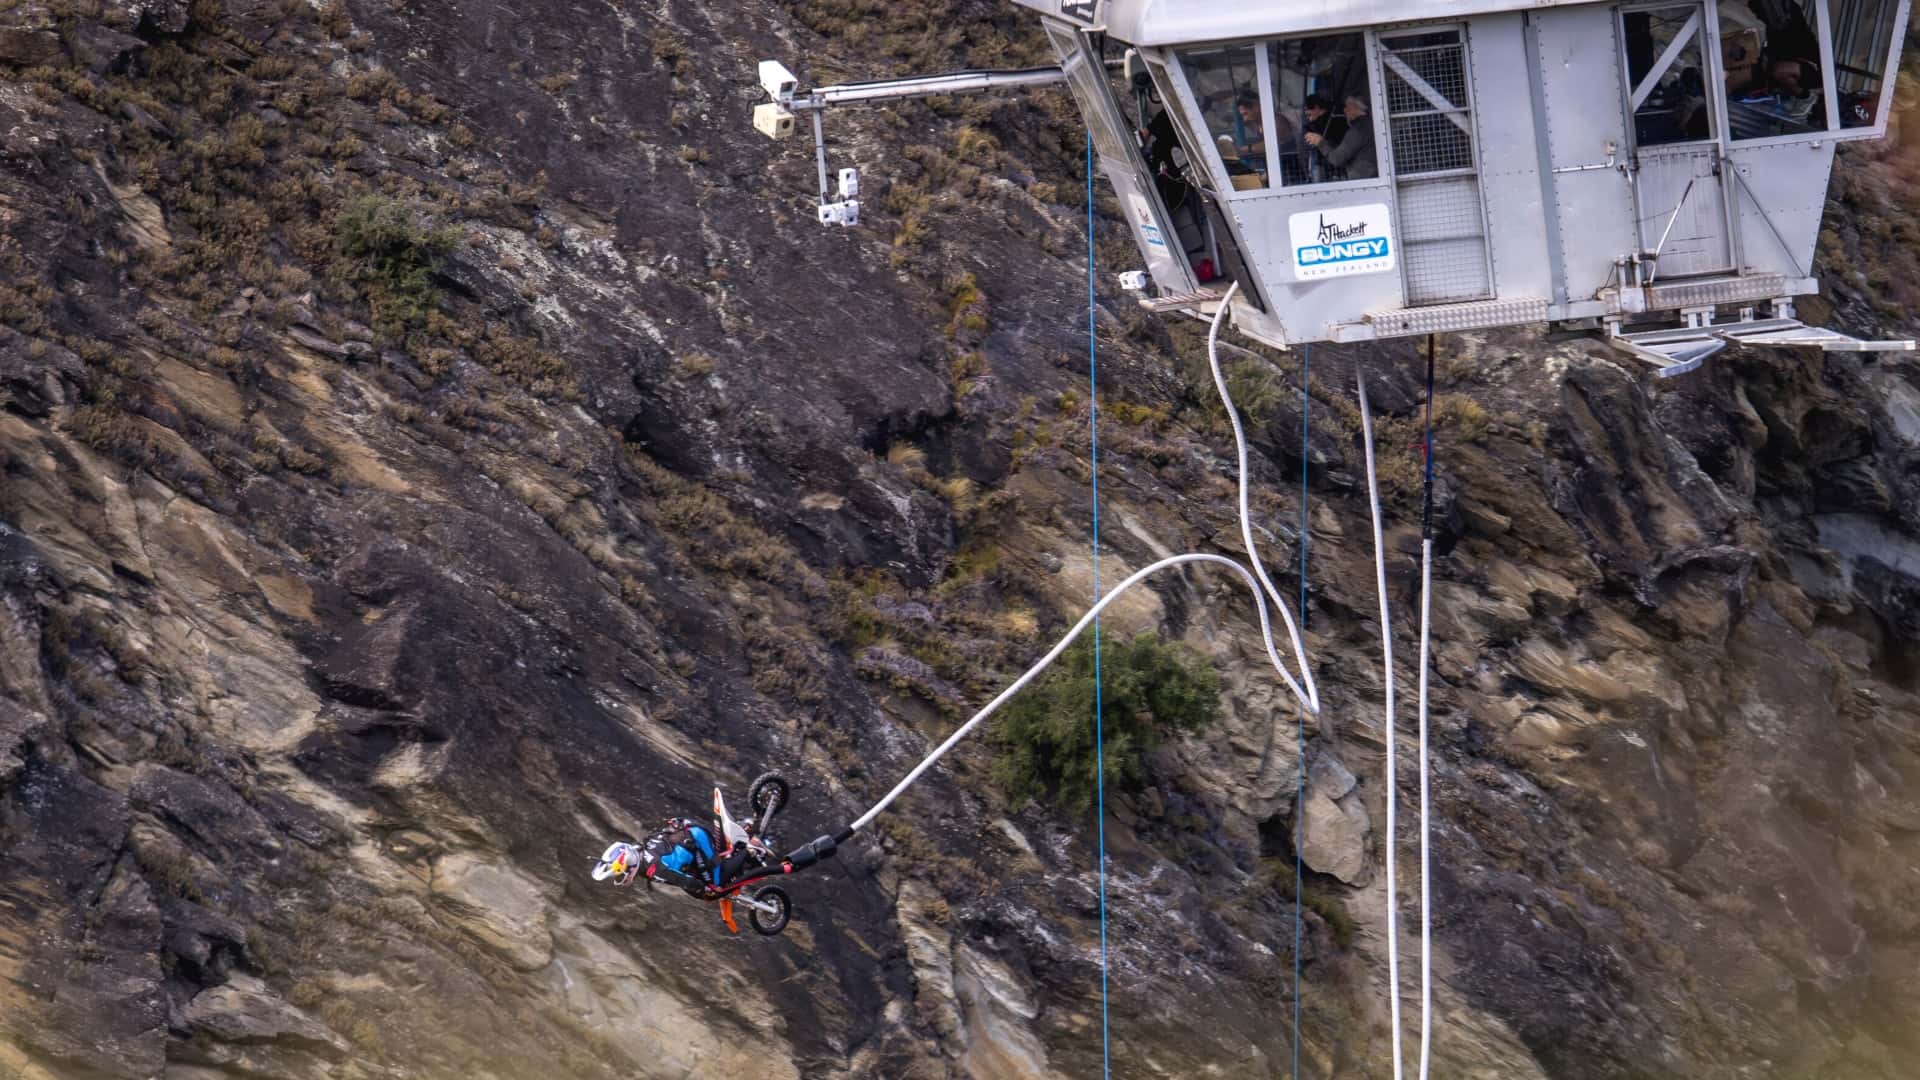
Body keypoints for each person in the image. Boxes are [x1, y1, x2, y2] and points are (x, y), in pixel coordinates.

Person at [1305, 95, 1376, 180]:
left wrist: (1320, 143)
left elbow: (1337, 159)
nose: (1344, 110)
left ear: (1356, 108)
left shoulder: (1358, 130)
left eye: (1347, 107)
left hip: (1364, 179)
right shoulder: (1370, 124)